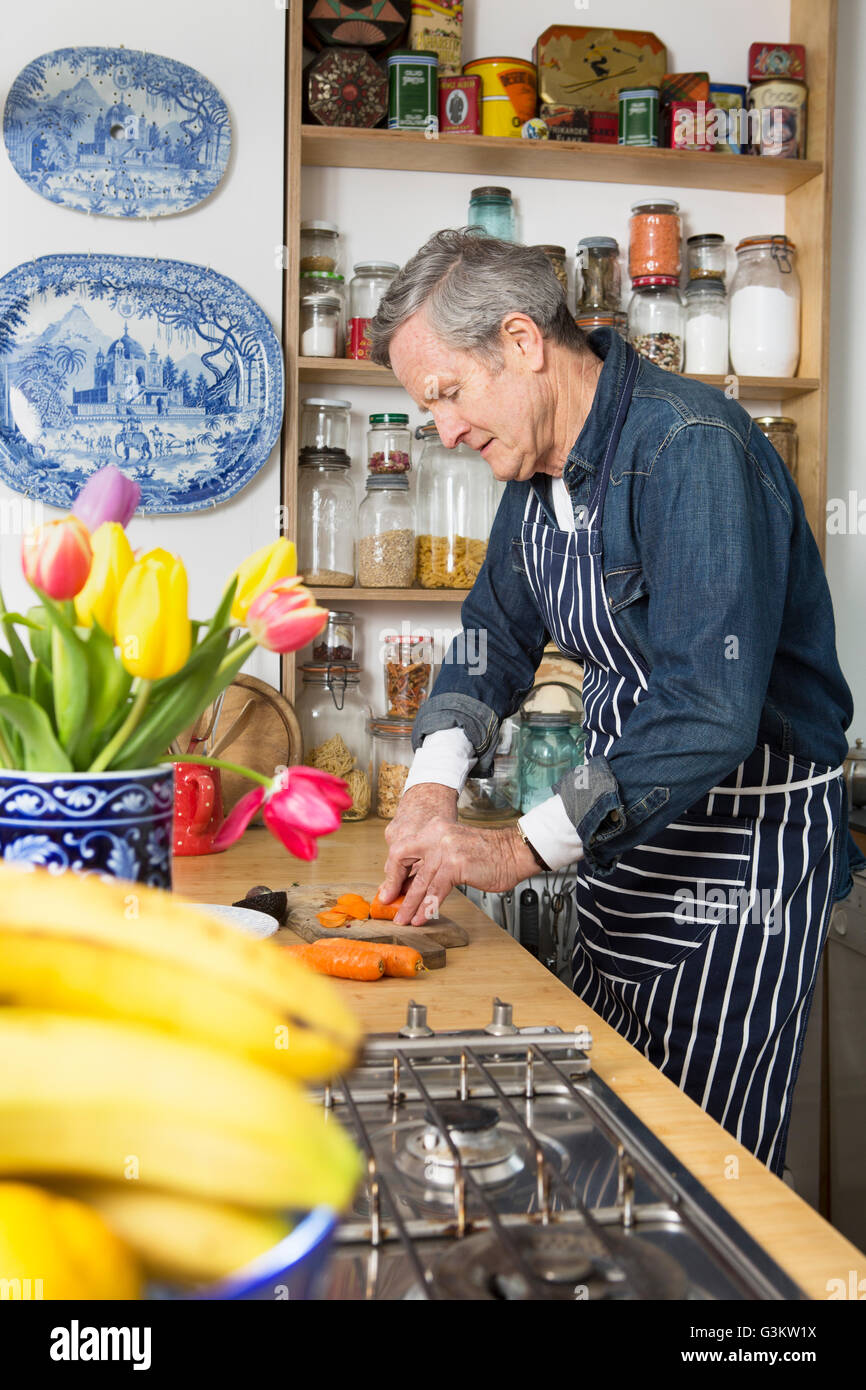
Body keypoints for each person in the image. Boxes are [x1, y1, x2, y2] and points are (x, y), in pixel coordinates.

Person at [369, 229, 864, 1175]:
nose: (442, 429)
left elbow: (706, 708)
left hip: (737, 865)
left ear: (520, 343)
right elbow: (491, 638)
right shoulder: (536, 477)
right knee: (612, 1138)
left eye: (445, 395)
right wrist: (431, 784)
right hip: (622, 848)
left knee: (697, 1165)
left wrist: (519, 845)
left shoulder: (693, 448)